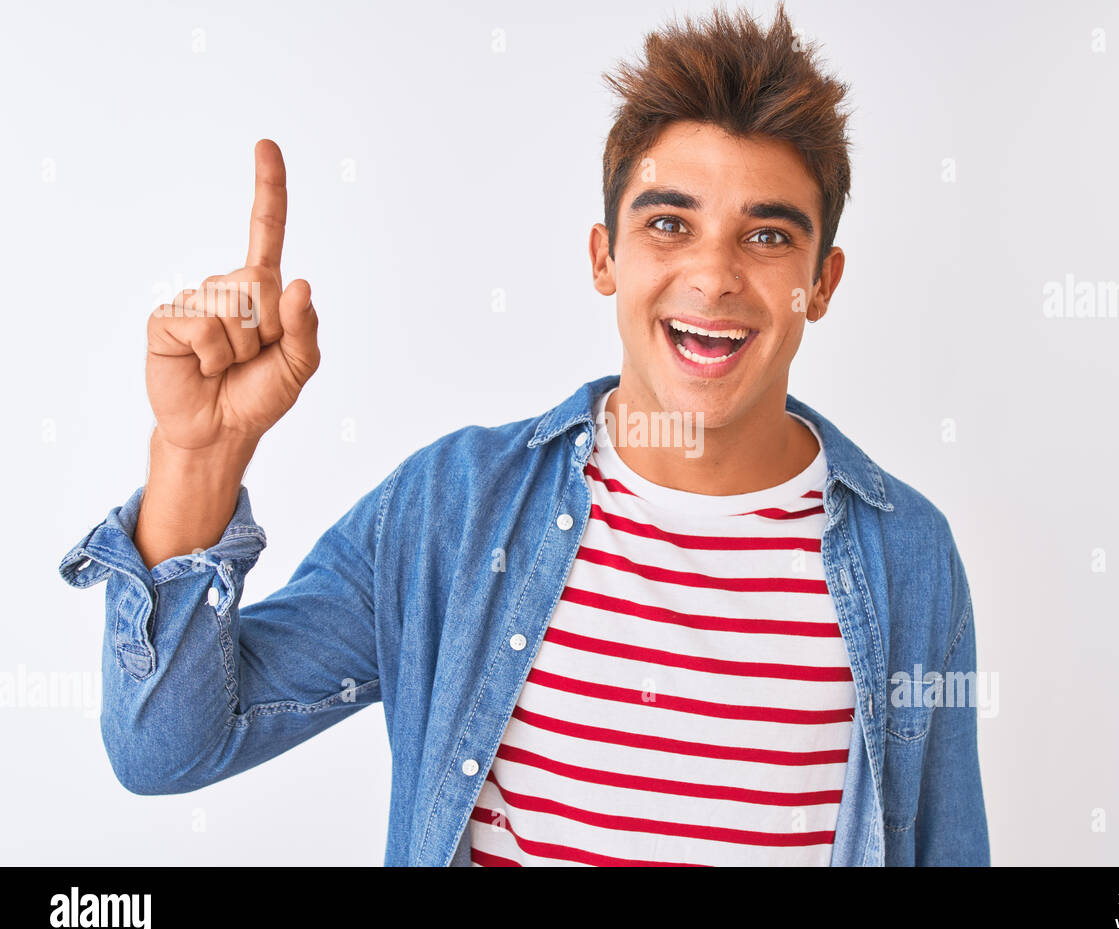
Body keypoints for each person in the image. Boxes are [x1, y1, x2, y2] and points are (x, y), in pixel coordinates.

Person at [57, 1, 988, 866]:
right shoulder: (453, 511)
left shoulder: (907, 558)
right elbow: (166, 748)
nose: (713, 276)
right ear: (604, 257)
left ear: (821, 284)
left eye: (768, 236)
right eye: (670, 223)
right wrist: (198, 457)